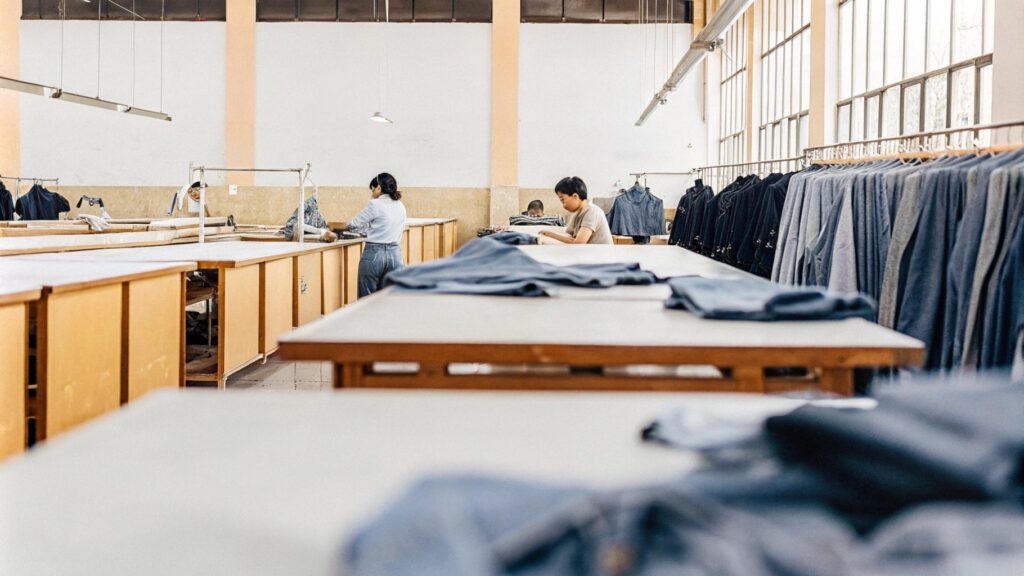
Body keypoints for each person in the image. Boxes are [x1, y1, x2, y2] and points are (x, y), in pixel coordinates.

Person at [339, 172, 408, 298]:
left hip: (374, 254)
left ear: (379, 188)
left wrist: (337, 228)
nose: (372, 193)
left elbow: (353, 224)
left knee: (367, 299)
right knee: (391, 298)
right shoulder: (401, 206)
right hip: (396, 255)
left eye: (373, 189)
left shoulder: (374, 204)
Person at [538, 176, 612, 245]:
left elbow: (579, 243)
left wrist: (548, 234)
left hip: (600, 257)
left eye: (562, 200)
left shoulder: (592, 211)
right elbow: (568, 235)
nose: (563, 206)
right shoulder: (576, 213)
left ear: (575, 196)